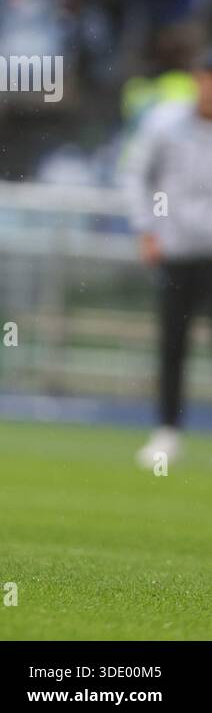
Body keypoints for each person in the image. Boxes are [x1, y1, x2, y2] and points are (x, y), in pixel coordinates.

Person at [124, 50, 212, 468]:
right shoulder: (165, 122)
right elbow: (136, 174)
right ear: (198, 78)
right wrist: (146, 228)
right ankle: (167, 431)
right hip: (176, 248)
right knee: (173, 345)